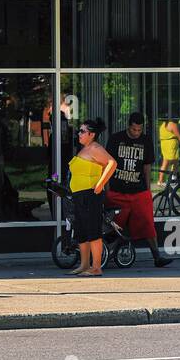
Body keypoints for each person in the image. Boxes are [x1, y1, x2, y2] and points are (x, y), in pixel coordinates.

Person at [105, 113, 173, 268]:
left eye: (139, 130)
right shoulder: (116, 139)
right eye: (134, 129)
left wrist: (148, 189)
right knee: (113, 225)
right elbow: (108, 163)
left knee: (147, 224)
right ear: (128, 126)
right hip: (117, 190)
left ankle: (157, 256)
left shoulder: (146, 140)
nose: (136, 133)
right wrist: (107, 188)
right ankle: (104, 254)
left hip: (139, 191)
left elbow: (147, 166)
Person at [67, 117, 116, 277]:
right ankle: (84, 264)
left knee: (93, 230)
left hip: (90, 195)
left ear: (92, 134)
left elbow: (112, 163)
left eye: (82, 131)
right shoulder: (83, 149)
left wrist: (101, 184)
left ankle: (96, 267)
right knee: (81, 230)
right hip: (79, 195)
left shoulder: (95, 148)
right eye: (79, 130)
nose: (79, 133)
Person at [158, 109, 180, 185]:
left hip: (164, 143)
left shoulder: (163, 125)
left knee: (174, 162)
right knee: (166, 162)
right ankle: (161, 180)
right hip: (171, 144)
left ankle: (174, 177)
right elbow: (179, 136)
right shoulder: (172, 124)